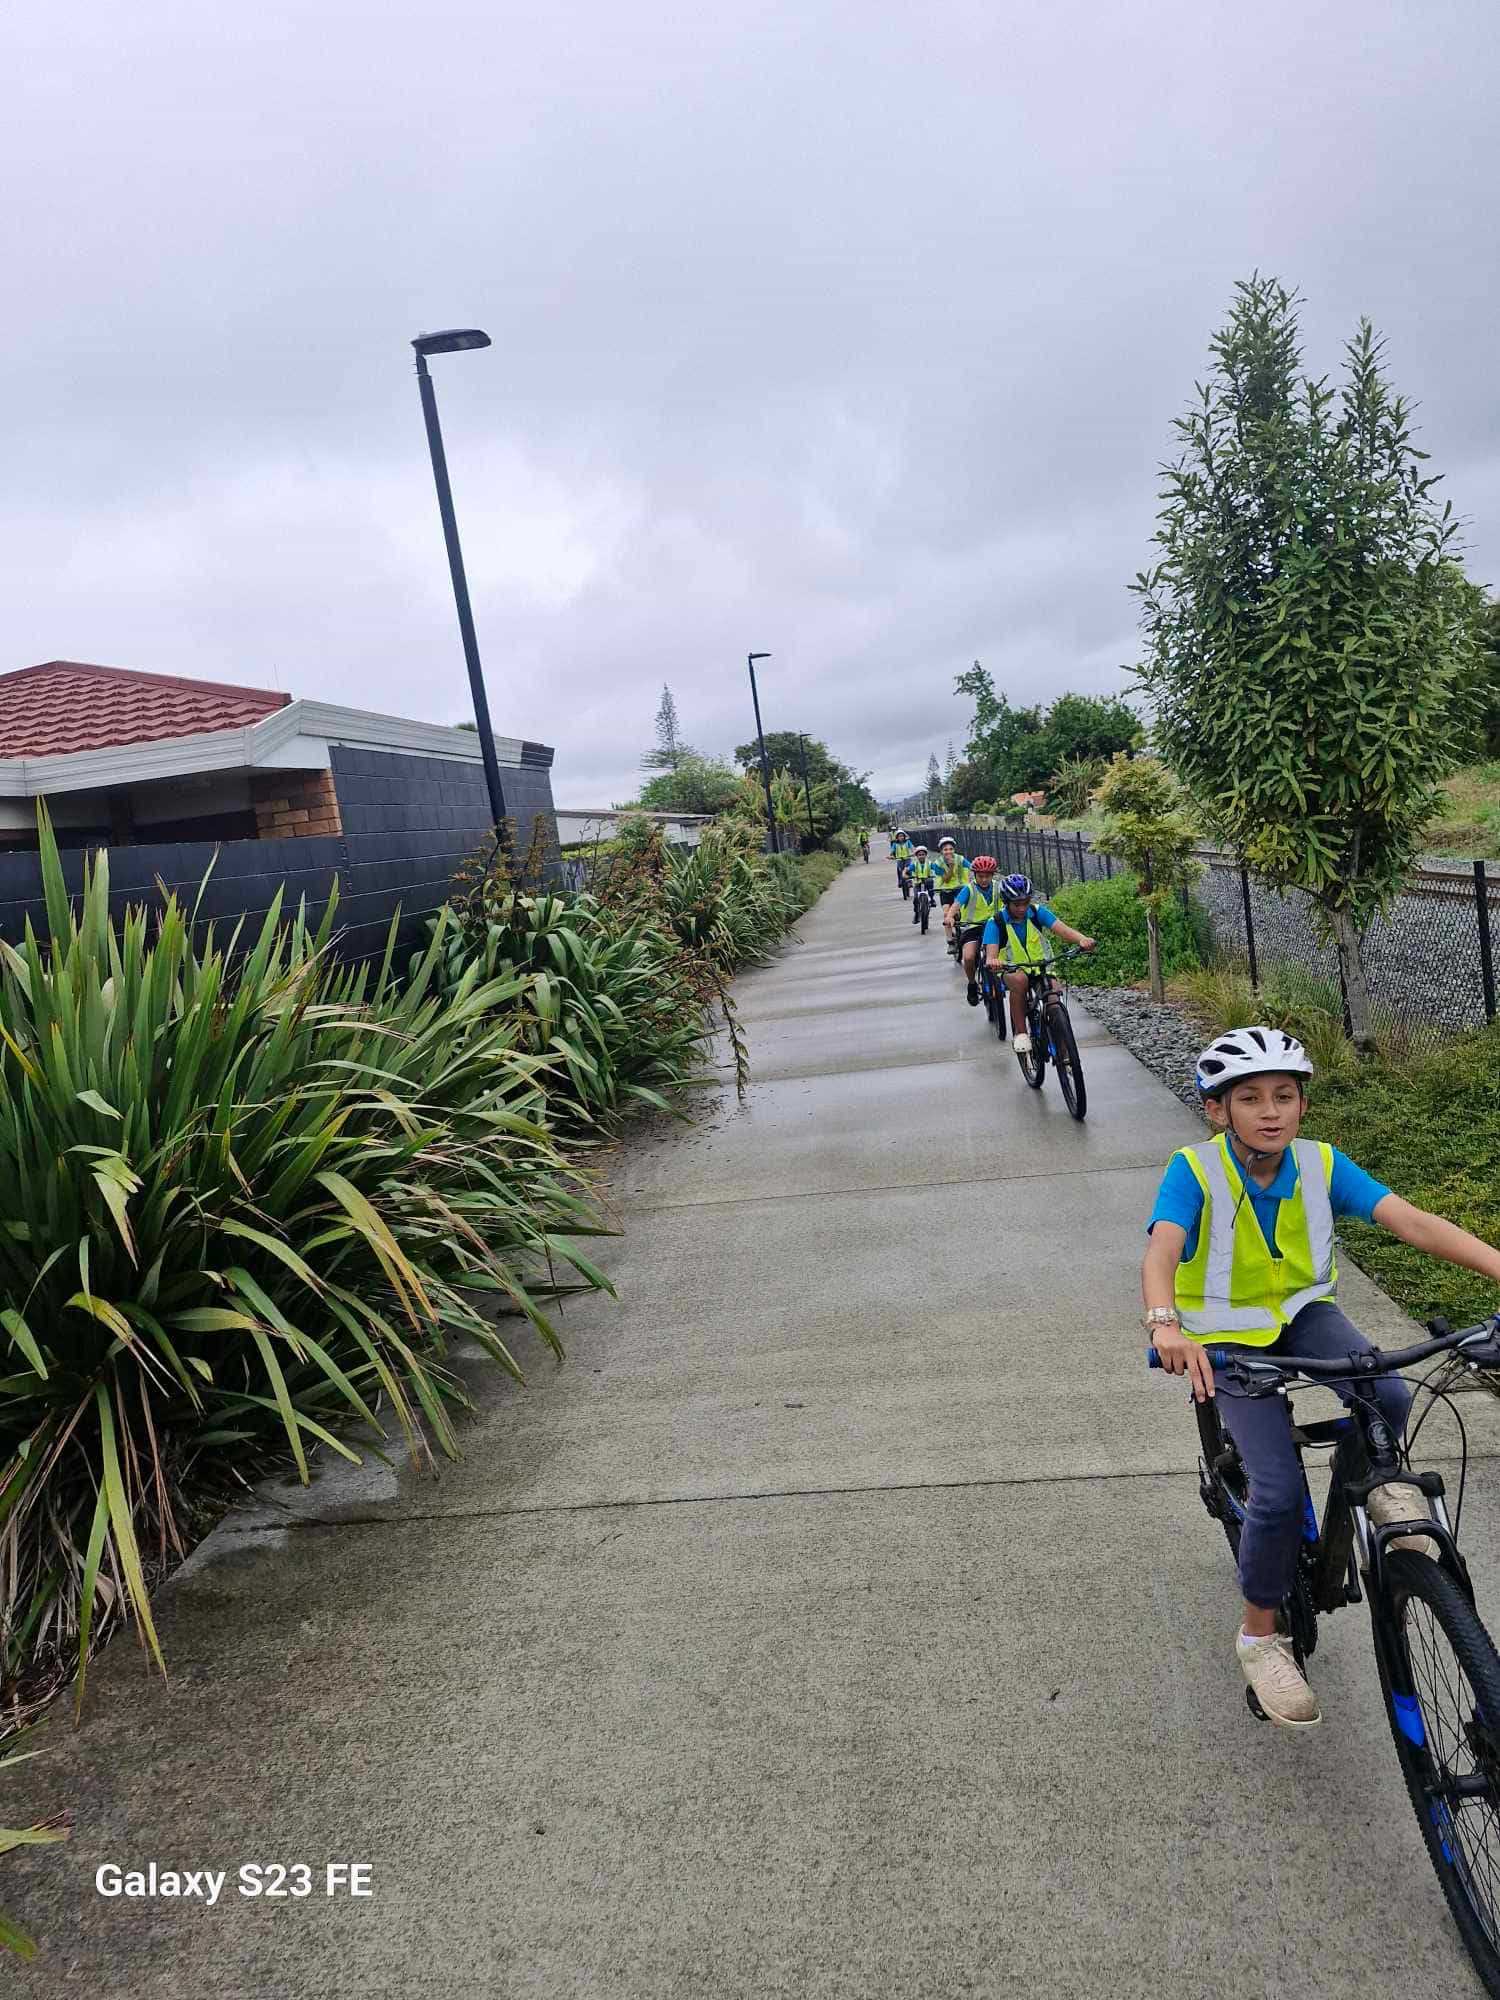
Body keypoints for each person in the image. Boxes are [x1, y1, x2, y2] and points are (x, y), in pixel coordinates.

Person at [1142, 1026, 1500, 1729]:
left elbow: (1412, 1222)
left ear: (1303, 1104)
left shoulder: (1321, 1163)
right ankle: (1259, 1636)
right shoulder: (1195, 1169)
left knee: (1386, 1391)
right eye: (1250, 1098)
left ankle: (1376, 1483)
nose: (1271, 1111)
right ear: (1217, 1110)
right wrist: (1165, 1324)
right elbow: (1163, 1251)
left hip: (1305, 1315)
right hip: (1224, 1338)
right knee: (1276, 1491)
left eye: (1285, 1096)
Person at [984, 872, 1095, 1054]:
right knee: (1020, 982)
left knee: (1054, 997)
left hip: (1041, 966)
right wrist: (993, 961)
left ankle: (1064, 1050)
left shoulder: (1036, 912)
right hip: (1012, 969)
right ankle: (1021, 1033)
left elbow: (1062, 929)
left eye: (1025, 902)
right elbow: (991, 954)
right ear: (1006, 902)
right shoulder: (995, 922)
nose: (1022, 908)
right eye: (1017, 904)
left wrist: (1082, 939)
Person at [948, 854, 1003, 1003]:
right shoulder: (969, 889)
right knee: (969, 957)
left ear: (993, 875)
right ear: (975, 875)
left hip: (994, 926)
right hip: (972, 928)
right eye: (980, 876)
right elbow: (956, 904)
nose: (984, 880)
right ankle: (972, 983)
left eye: (987, 876)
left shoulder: (999, 888)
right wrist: (950, 917)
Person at [889, 827, 914, 891]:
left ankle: (910, 881)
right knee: (899, 870)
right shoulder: (895, 844)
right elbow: (892, 850)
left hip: (907, 858)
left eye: (902, 836)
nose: (901, 837)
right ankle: (900, 881)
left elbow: (912, 848)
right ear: (897, 837)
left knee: (908, 869)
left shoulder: (908, 842)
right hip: (899, 860)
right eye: (900, 836)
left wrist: (913, 853)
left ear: (904, 836)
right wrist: (891, 856)